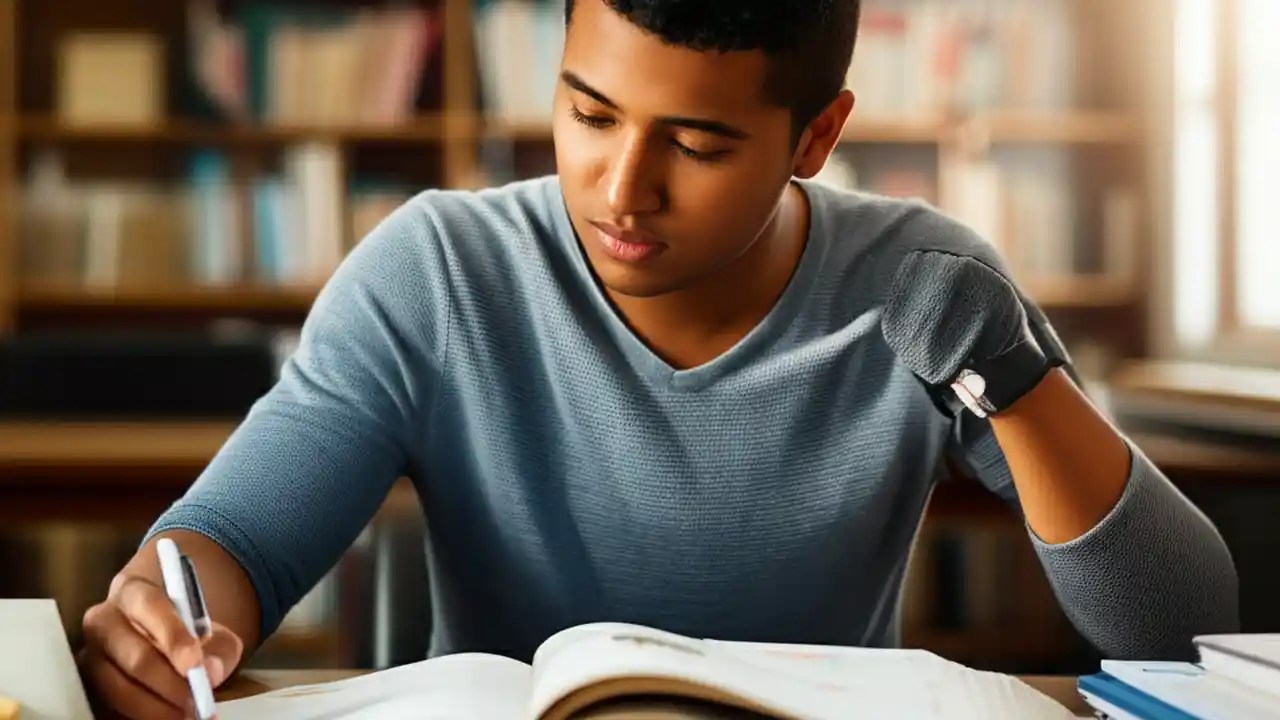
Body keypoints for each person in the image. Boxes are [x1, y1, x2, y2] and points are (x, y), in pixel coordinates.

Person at [78, 0, 1240, 717]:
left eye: (694, 142)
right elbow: (235, 542)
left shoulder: (923, 286)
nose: (620, 190)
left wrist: (1015, 379)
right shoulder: (439, 267)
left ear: (816, 138)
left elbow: (1174, 625)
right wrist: (161, 613)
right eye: (588, 115)